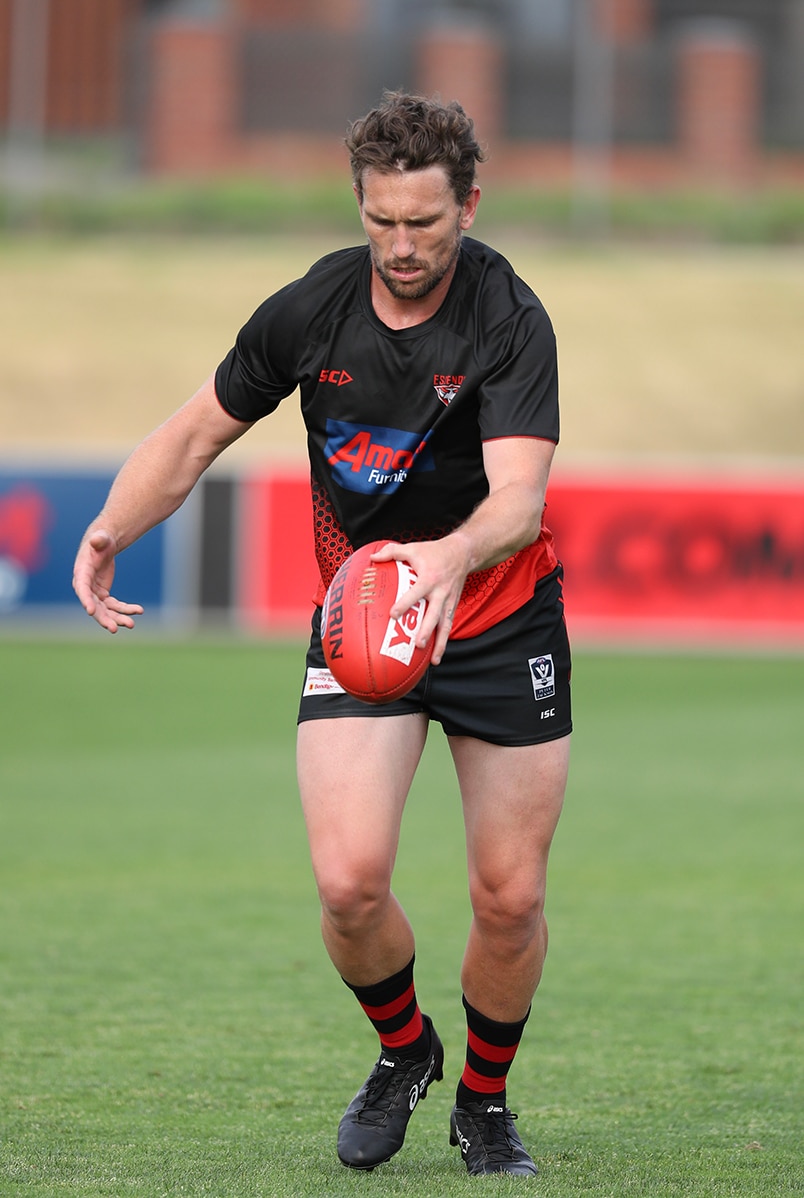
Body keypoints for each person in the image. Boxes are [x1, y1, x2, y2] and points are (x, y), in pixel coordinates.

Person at [72, 90, 572, 1178]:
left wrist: (448, 559)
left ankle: (484, 1103)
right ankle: (407, 1050)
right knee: (348, 886)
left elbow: (519, 501)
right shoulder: (311, 310)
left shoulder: (508, 317)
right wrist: (111, 526)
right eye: (381, 220)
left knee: (511, 897)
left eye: (424, 223)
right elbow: (194, 433)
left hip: (498, 618)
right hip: (364, 626)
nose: (402, 246)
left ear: (468, 206)